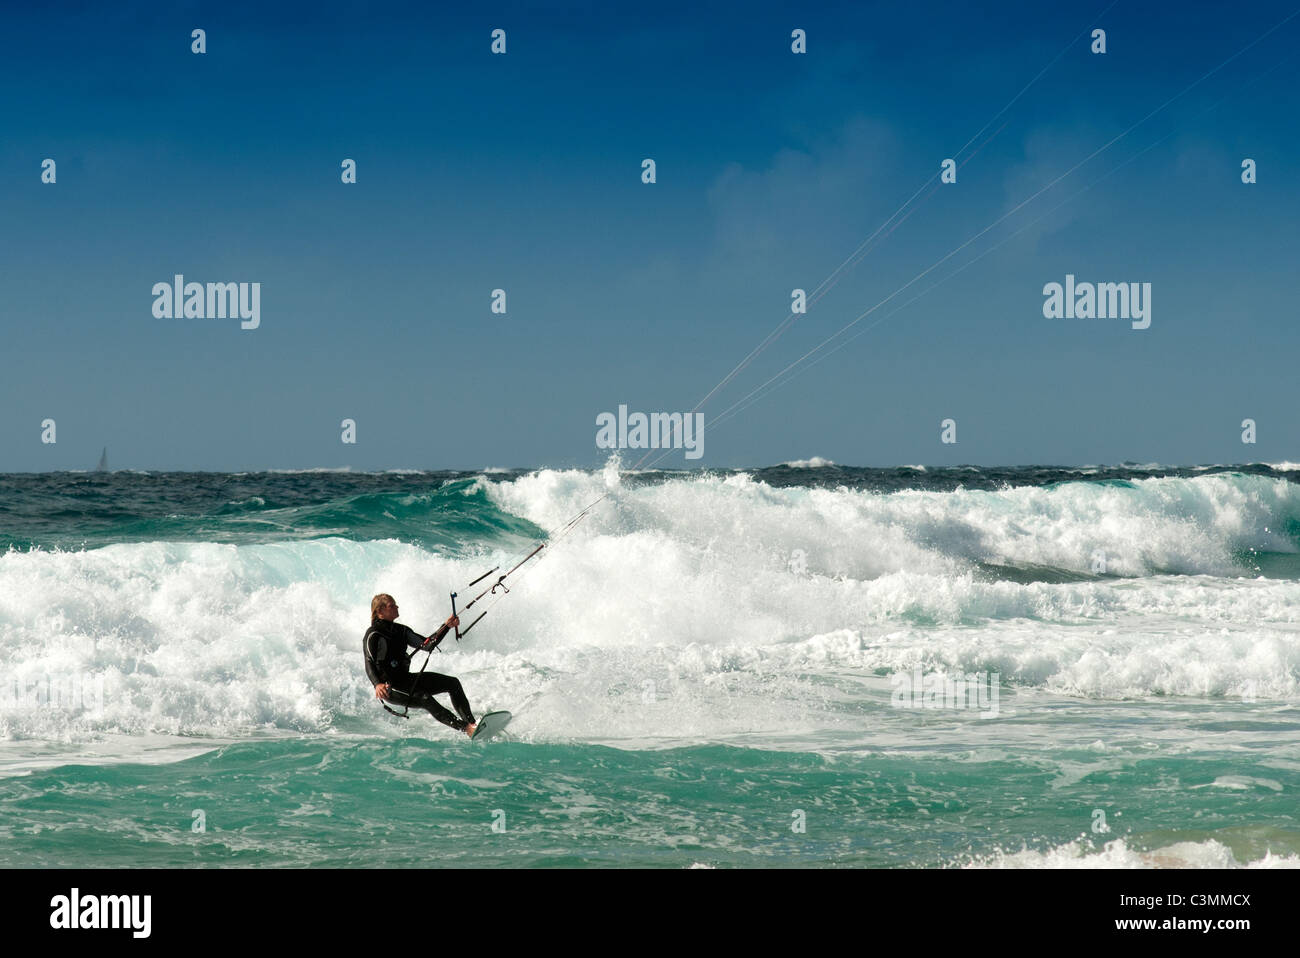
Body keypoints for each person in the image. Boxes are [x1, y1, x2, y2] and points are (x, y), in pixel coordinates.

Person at [363, 593, 477, 737]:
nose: (397, 607)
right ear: (380, 611)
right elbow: (368, 662)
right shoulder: (373, 634)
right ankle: (466, 729)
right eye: (391, 606)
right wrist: (377, 684)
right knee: (425, 698)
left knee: (452, 683)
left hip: (407, 680)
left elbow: (428, 645)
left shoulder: (401, 630)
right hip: (390, 687)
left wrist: (446, 626)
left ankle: (473, 725)